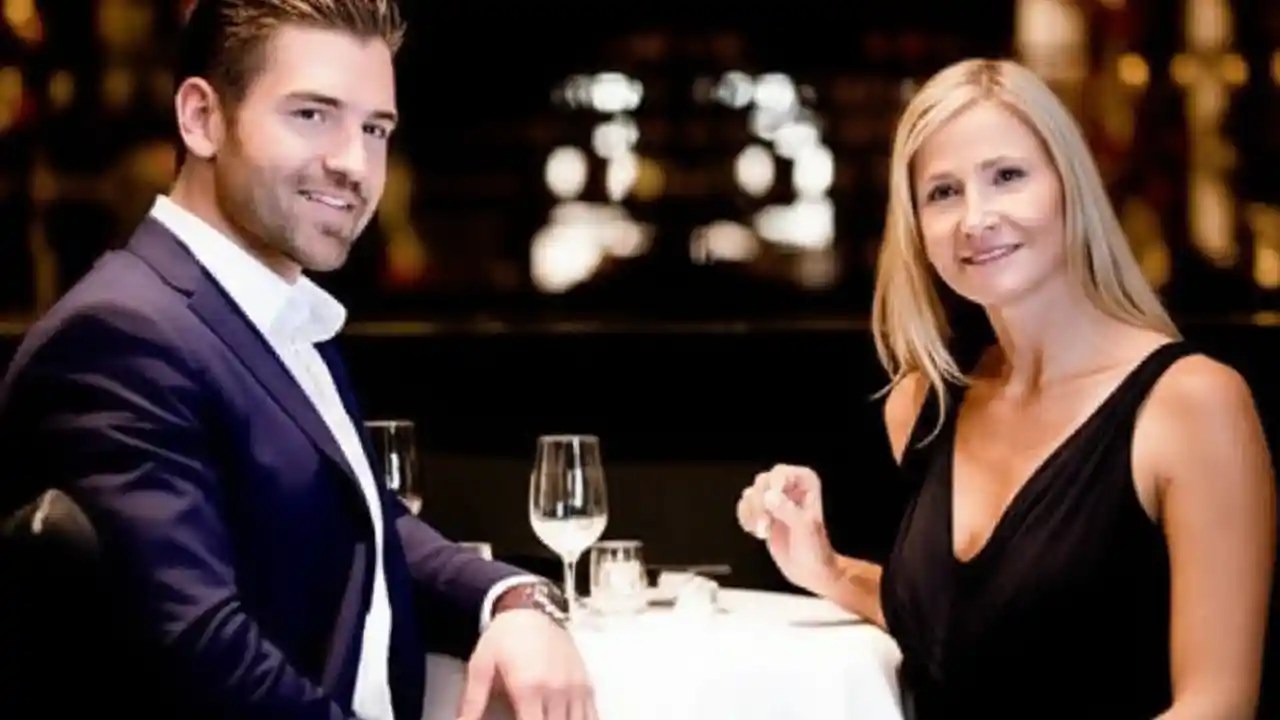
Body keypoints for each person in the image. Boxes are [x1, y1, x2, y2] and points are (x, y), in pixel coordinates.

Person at [0, 2, 596, 719]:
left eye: (375, 128)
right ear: (201, 118)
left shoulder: (267, 307)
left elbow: (367, 526)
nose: (354, 164)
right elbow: (204, 656)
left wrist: (515, 600)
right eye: (312, 115)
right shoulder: (123, 333)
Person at [736, 58, 1275, 718]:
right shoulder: (922, 405)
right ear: (917, 229)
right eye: (942, 192)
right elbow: (978, 628)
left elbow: (1218, 705)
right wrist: (827, 569)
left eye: (1007, 176)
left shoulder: (1193, 403)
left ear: (1068, 188)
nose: (976, 217)